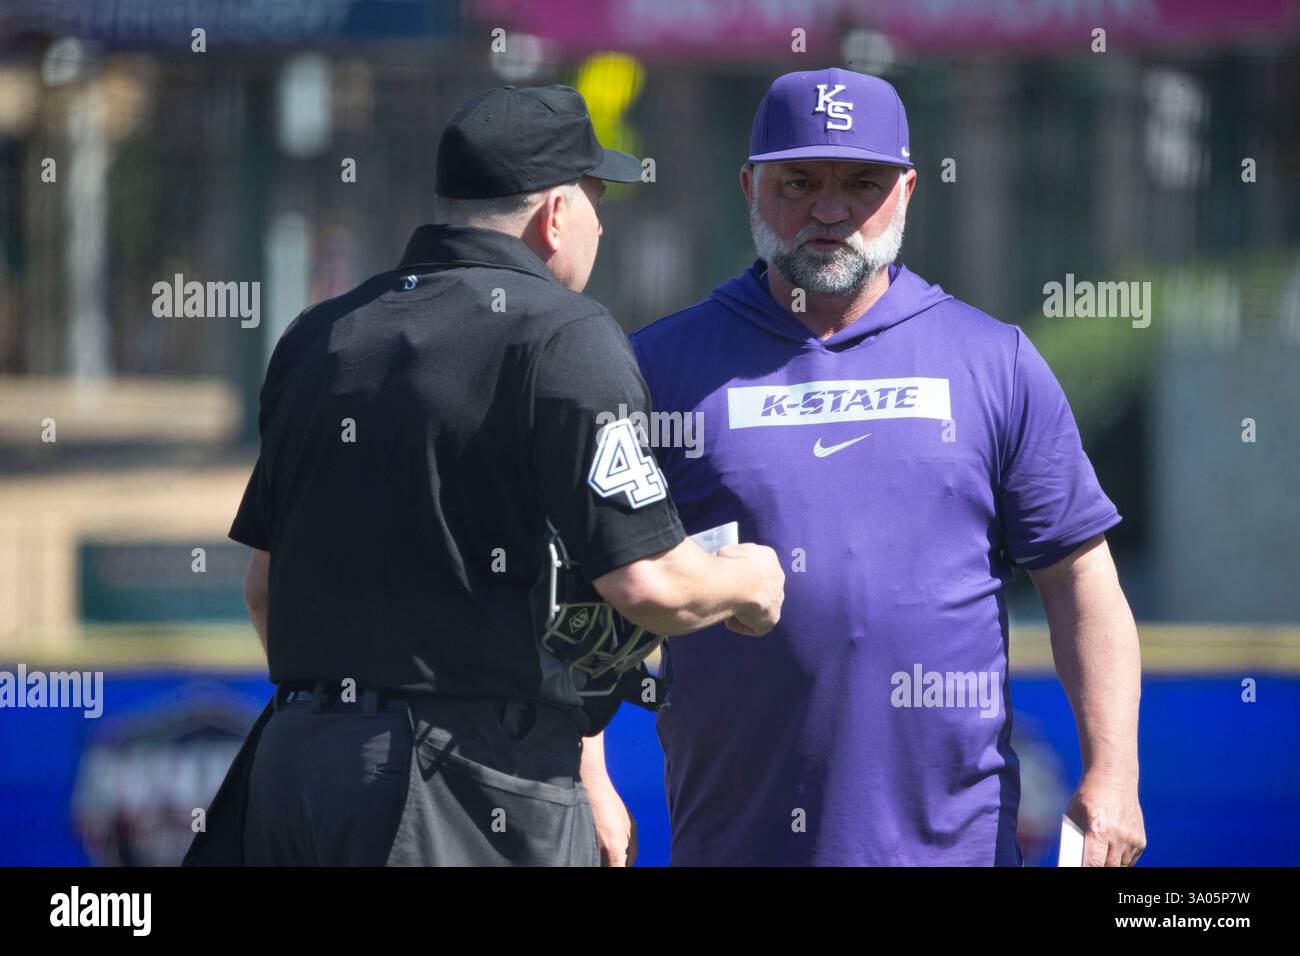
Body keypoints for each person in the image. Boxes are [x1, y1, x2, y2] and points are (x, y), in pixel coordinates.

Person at [184, 84, 784, 868]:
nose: (602, 223)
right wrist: (746, 580)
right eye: (597, 198)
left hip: (293, 761)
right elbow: (649, 585)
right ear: (556, 213)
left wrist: (351, 711)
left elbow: (264, 586)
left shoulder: (322, 333)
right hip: (452, 784)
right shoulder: (562, 333)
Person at [629, 68, 1145, 866]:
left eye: (860, 183)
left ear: (906, 189)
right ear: (748, 186)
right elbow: (589, 587)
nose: (830, 209)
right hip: (738, 843)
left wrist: (1114, 772)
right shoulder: (662, 367)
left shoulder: (992, 360)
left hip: (955, 850)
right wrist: (587, 767)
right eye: (798, 181)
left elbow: (1082, 578)